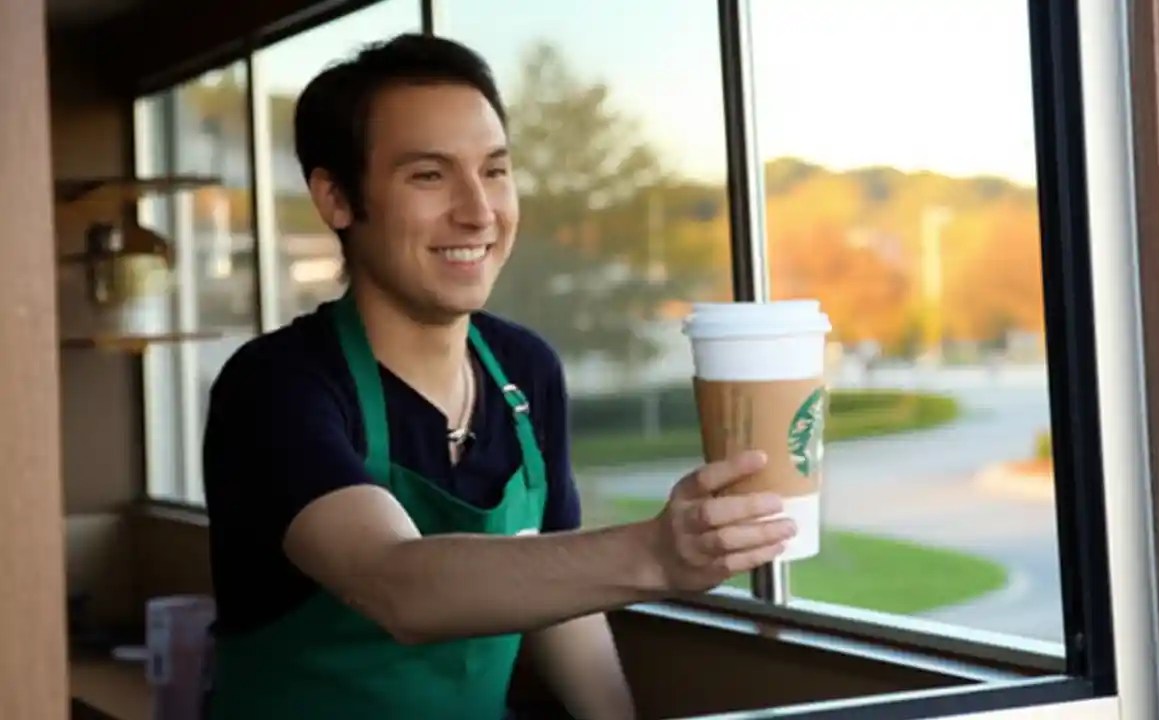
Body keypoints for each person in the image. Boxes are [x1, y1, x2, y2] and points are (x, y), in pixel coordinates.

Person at [201, 33, 796, 720]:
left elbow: (557, 597)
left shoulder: (525, 368)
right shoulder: (277, 386)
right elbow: (398, 586)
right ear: (336, 197)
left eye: (494, 171)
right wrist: (655, 554)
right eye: (429, 175)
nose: (479, 212)